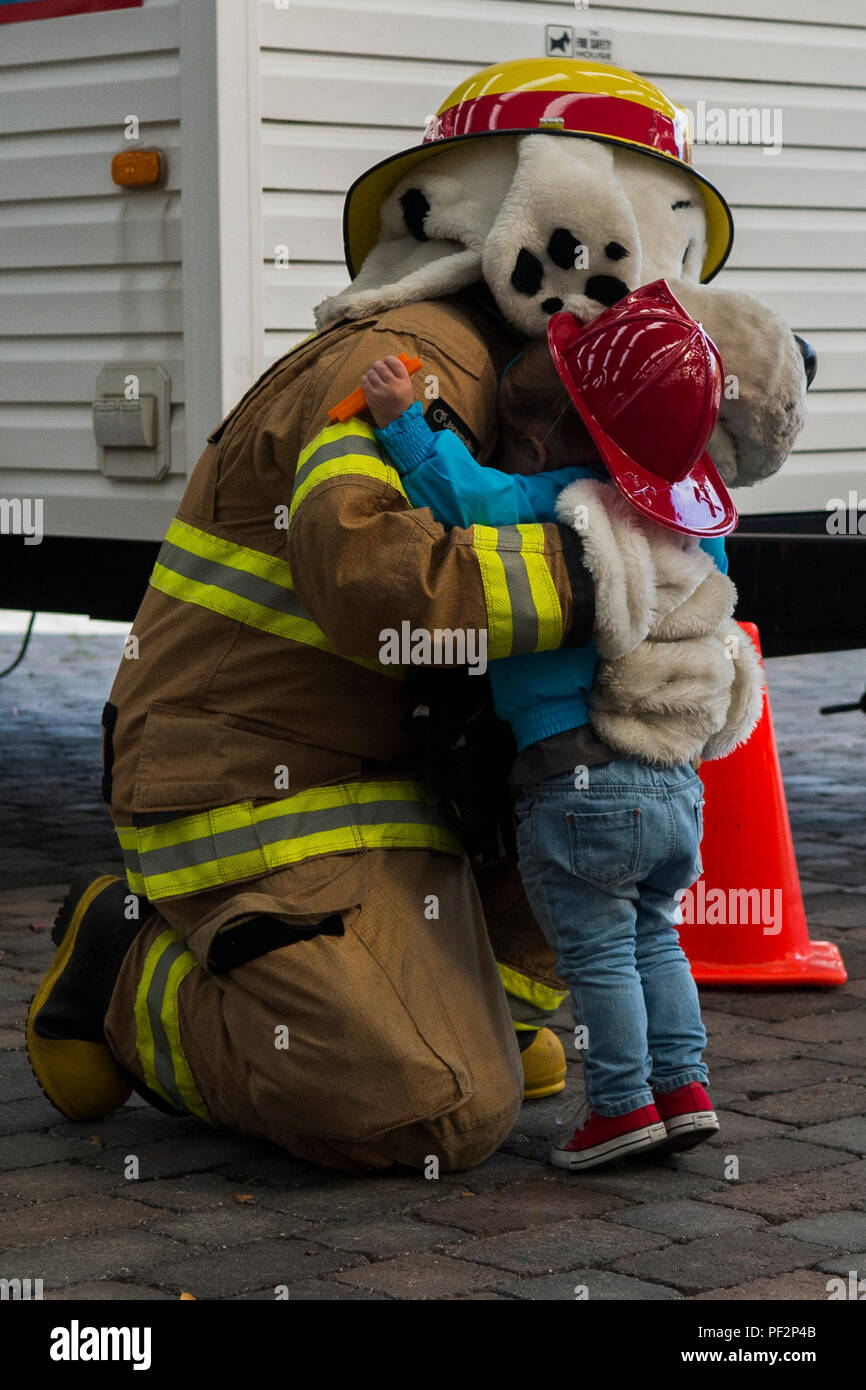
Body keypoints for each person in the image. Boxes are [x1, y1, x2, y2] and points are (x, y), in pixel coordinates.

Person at [361, 342, 733, 1172]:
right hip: (674, 780)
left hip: (577, 777)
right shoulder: (687, 517)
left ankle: (621, 1106)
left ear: (534, 445)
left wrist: (403, 423)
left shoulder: (560, 499)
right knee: (654, 936)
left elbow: (466, 497)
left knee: (600, 950)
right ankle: (684, 1090)